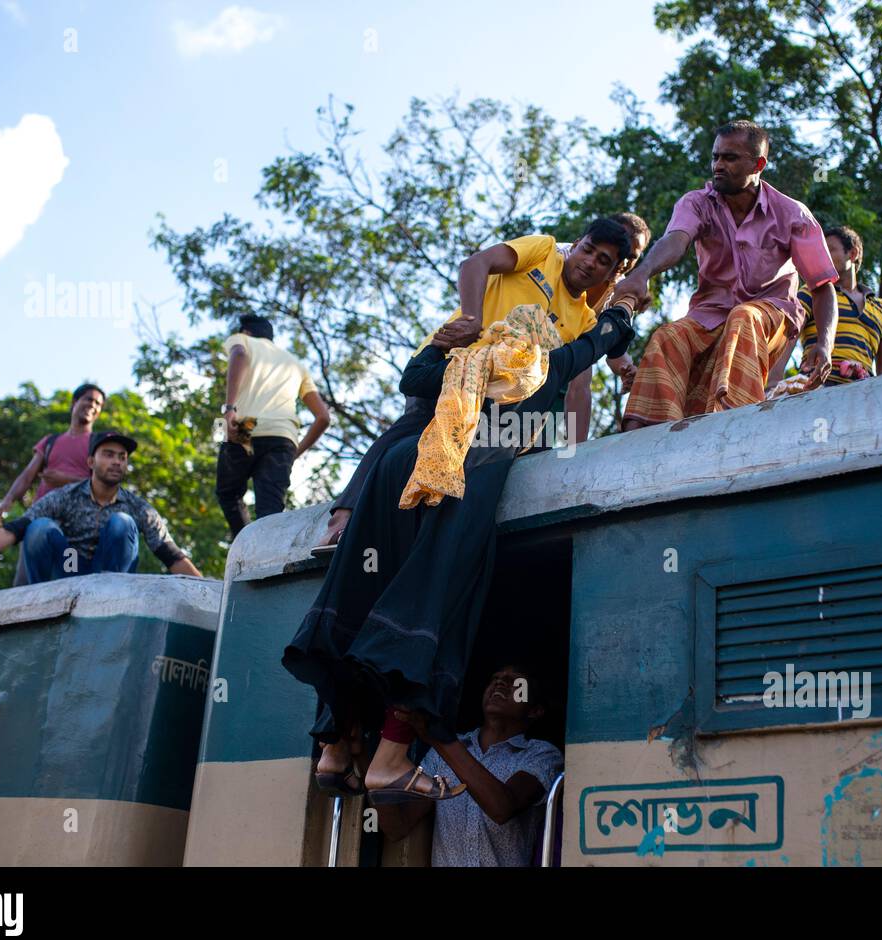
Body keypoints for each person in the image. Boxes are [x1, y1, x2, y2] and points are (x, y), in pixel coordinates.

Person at [282, 296, 637, 802]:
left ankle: (336, 749)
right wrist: (622, 312)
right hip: (463, 475)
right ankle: (387, 760)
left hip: (403, 466)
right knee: (432, 608)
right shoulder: (546, 363)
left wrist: (444, 342)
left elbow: (414, 379)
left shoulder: (469, 360)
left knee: (364, 597)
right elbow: (599, 341)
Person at [310, 218, 633, 555]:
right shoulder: (543, 251)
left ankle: (407, 543)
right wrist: (471, 320)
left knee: (450, 469)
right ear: (577, 243)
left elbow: (576, 366)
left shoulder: (584, 319)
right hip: (452, 362)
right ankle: (340, 522)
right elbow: (475, 263)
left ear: (611, 274)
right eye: (588, 250)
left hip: (489, 401)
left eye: (603, 261)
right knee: (413, 429)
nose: (590, 262)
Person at [614, 120, 841, 430]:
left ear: (758, 163)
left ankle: (737, 427)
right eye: (716, 157)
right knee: (667, 337)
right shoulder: (697, 203)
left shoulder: (792, 214)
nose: (718, 165)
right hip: (710, 315)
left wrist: (824, 345)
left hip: (772, 316)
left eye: (730, 158)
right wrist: (643, 273)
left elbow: (822, 286)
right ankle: (646, 438)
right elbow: (675, 241)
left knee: (743, 317)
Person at [0, 431, 201, 590]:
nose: (116, 462)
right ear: (90, 461)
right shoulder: (65, 497)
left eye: (122, 458)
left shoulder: (139, 507)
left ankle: (111, 597)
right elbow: (12, 531)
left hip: (110, 578)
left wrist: (216, 597)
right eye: (108, 455)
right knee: (38, 529)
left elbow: (170, 554)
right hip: (70, 570)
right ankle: (38, 600)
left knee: (123, 524)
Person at [376, 663, 563, 867]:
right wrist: (377, 771)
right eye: (495, 678)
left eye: (516, 682)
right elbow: (398, 827)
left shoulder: (541, 754)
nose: (500, 682)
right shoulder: (440, 755)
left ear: (535, 710)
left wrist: (440, 739)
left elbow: (502, 808)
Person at [217, 313, 330, 539]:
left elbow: (238, 354)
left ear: (246, 331)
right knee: (271, 512)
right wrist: (295, 451)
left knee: (228, 492)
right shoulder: (296, 364)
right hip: (284, 435)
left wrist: (229, 408)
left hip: (243, 424)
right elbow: (323, 417)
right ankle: (265, 554)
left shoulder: (242, 340)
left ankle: (244, 546)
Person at [0, 382, 104, 585]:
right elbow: (28, 475)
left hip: (77, 525)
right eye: (88, 399)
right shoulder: (50, 441)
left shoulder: (98, 443)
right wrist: (8, 499)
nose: (93, 405)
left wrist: (66, 480)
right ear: (75, 402)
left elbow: (105, 484)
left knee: (67, 582)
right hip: (40, 519)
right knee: (25, 584)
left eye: (98, 403)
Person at [559, 212, 652, 443]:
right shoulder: (562, 257)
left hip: (566, 353)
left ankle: (575, 448)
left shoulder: (617, 290)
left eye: (632, 256)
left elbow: (608, 346)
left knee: (583, 367)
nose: (625, 261)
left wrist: (626, 369)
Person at [792, 226, 882, 385]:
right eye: (822, 250)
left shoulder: (881, 308)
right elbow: (788, 336)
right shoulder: (812, 292)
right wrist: (773, 381)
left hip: (864, 394)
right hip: (815, 386)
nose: (823, 256)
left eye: (830, 249)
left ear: (852, 254)